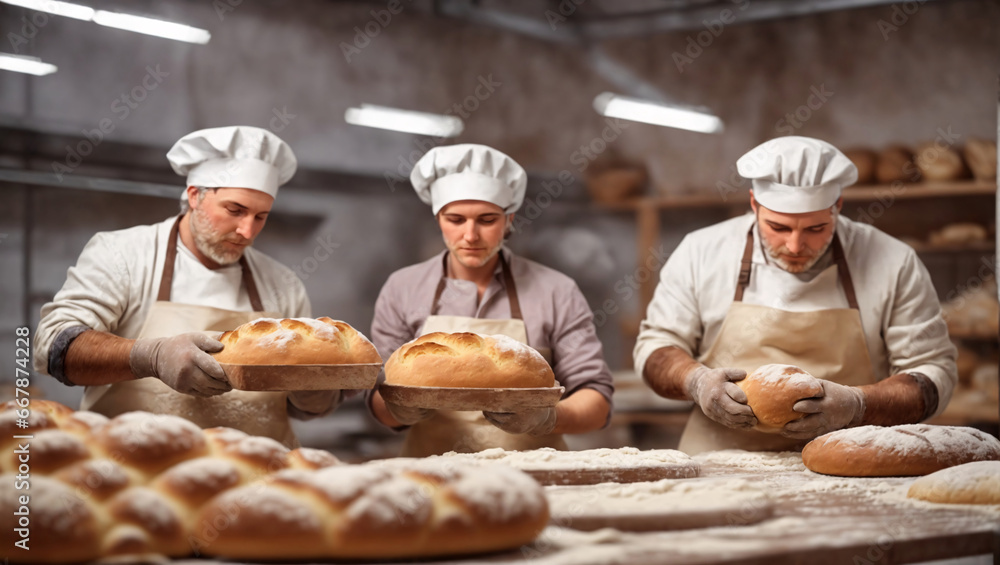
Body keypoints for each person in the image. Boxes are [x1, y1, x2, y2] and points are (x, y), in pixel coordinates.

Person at [634, 136, 957, 455]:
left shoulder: (893, 261)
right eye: (779, 228)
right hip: (717, 464)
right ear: (754, 204)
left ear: (837, 207)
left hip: (849, 461)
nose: (795, 246)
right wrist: (696, 382)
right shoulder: (701, 252)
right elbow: (656, 348)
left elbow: (931, 372)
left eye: (815, 229)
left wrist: (857, 405)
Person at [34, 126, 340, 447]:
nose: (247, 231)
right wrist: (150, 357)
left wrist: (316, 390)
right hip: (134, 465)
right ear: (195, 195)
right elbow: (54, 347)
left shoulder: (283, 284)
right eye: (235, 210)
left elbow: (300, 408)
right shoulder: (121, 254)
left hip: (256, 468)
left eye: (260, 216)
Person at [368, 143, 614, 457]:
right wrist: (399, 408)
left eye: (487, 220)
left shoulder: (556, 291)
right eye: (456, 220)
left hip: (532, 473)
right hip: (434, 473)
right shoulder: (403, 287)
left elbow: (596, 399)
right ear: (438, 218)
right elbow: (378, 397)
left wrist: (547, 418)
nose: (470, 235)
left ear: (509, 219)